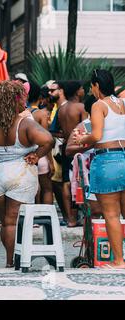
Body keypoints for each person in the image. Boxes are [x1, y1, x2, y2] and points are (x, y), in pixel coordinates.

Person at [0, 80, 54, 268]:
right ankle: (19, 260)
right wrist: (37, 155)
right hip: (21, 173)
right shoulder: (24, 124)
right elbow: (48, 140)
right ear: (14, 101)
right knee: (15, 220)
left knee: (6, 223)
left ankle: (9, 260)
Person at [73, 69, 125, 269]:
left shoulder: (98, 105)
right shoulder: (121, 103)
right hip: (124, 156)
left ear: (96, 85)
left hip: (107, 161)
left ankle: (119, 261)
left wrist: (81, 139)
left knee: (111, 214)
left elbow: (95, 135)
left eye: (91, 86)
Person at [56, 80, 88, 227]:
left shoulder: (61, 109)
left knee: (66, 183)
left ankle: (70, 218)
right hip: (78, 147)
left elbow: (59, 131)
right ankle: (80, 215)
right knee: (78, 181)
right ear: (77, 91)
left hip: (65, 148)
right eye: (82, 89)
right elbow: (85, 129)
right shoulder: (81, 107)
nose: (83, 90)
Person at [65, 95, 102, 218]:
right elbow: (69, 150)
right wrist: (88, 146)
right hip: (89, 174)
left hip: (107, 170)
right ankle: (90, 236)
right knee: (94, 211)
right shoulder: (84, 126)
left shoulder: (112, 124)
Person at [30, 82, 54, 205]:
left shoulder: (23, 113)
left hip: (28, 155)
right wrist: (51, 161)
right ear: (40, 98)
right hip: (41, 155)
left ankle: (33, 217)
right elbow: (46, 139)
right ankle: (45, 217)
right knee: (47, 189)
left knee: (33, 188)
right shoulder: (41, 114)